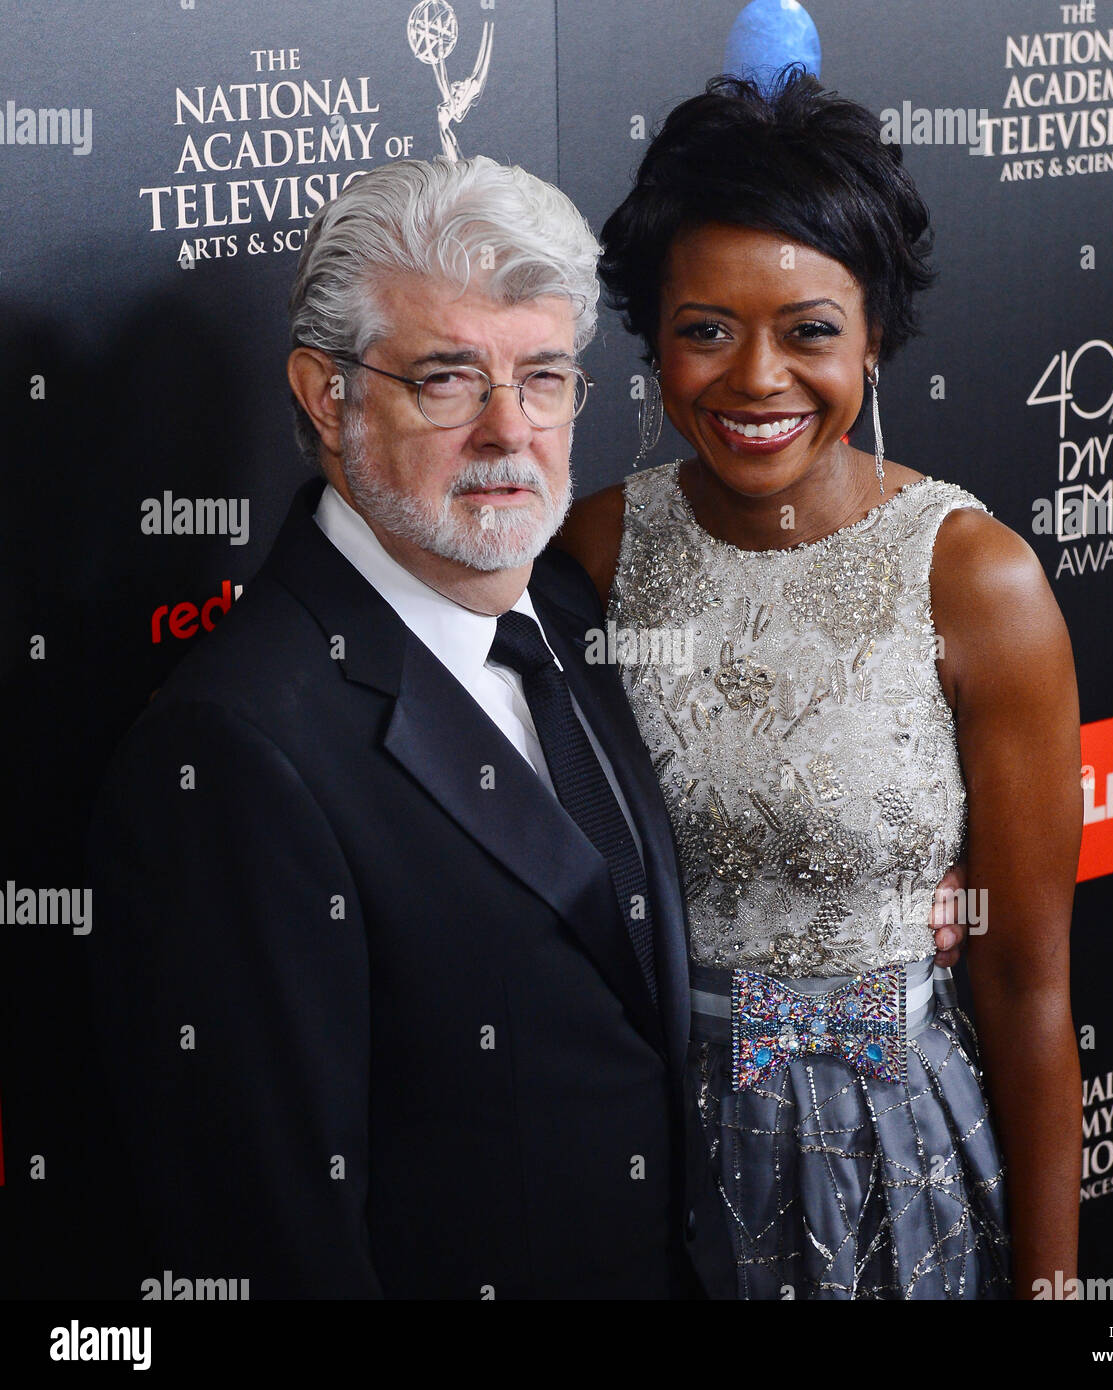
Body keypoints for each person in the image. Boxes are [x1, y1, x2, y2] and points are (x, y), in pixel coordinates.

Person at [87, 153, 969, 1300]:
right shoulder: (234, 752)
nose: (509, 431)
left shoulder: (564, 603)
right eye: (447, 379)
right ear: (325, 393)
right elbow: (268, 1238)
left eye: (543, 376)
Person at [555, 72, 1083, 1299]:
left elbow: (1024, 980)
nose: (753, 379)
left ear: (873, 337)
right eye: (703, 328)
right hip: (641, 1159)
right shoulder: (587, 551)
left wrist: (1053, 1288)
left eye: (806, 330)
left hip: (888, 1162)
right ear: (650, 338)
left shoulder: (972, 576)